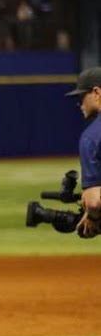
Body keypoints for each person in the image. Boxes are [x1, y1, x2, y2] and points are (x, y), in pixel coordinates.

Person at [66, 67, 101, 238]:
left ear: (96, 92)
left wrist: (93, 218)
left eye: (82, 97)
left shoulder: (92, 137)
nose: (80, 104)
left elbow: (94, 202)